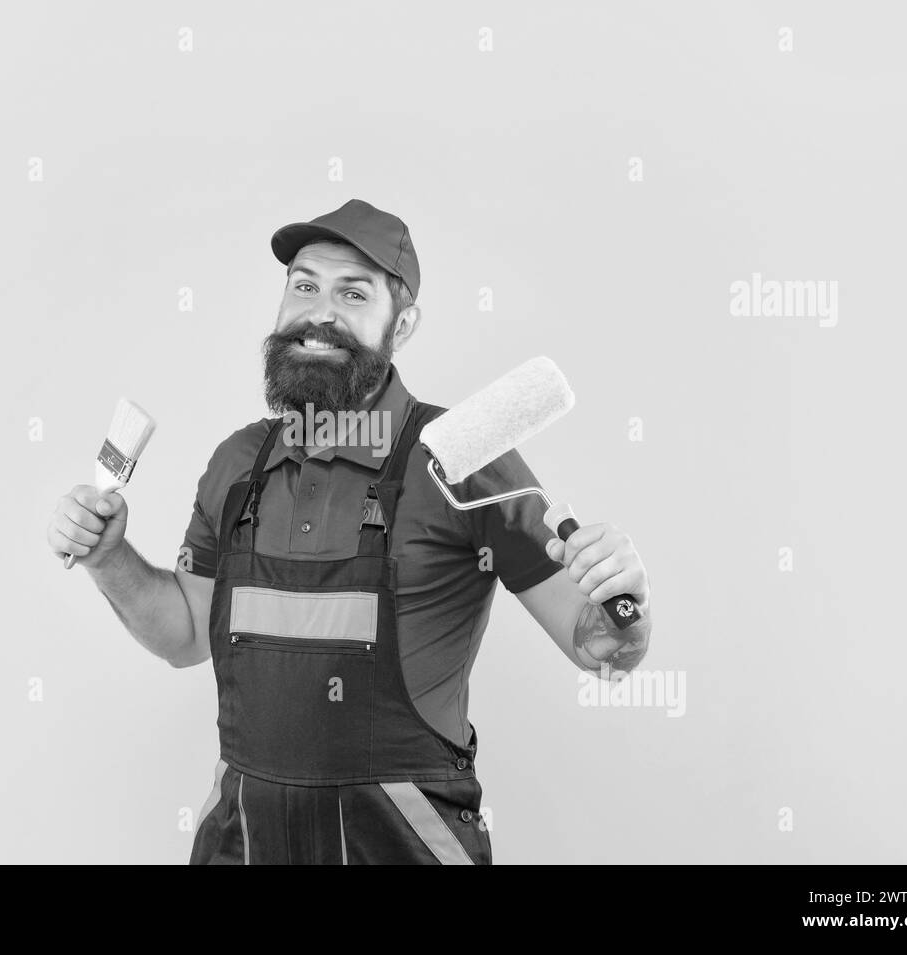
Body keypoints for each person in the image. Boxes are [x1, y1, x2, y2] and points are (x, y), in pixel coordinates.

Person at [47, 198, 652, 864]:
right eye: (304, 285)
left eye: (353, 293)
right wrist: (109, 558)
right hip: (242, 844)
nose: (320, 313)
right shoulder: (238, 463)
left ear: (404, 323)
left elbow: (600, 647)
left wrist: (624, 609)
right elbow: (186, 633)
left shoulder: (459, 458)